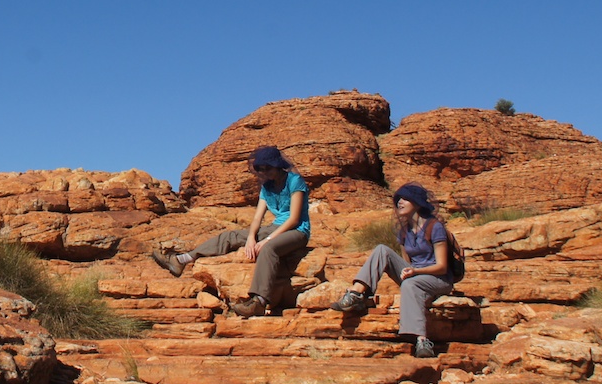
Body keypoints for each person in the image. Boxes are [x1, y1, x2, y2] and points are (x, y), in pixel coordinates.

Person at [151, 145, 310, 317]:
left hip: (297, 231)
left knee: (268, 249)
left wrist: (267, 240)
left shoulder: (294, 181)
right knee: (230, 236)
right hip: (275, 228)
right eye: (260, 169)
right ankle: (181, 260)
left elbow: (293, 219)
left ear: (277, 165)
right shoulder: (267, 187)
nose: (264, 172)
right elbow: (257, 217)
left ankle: (259, 301)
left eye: (267, 168)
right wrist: (250, 237)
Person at [332, 182, 453, 357]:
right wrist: (411, 272)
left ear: (418, 203)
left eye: (405, 199)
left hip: (438, 278)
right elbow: (407, 263)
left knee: (410, 285)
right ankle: (356, 293)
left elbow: (442, 267)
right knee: (382, 249)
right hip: (416, 276)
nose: (400, 203)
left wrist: (416, 273)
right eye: (398, 199)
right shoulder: (404, 231)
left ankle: (422, 340)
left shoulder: (435, 227)